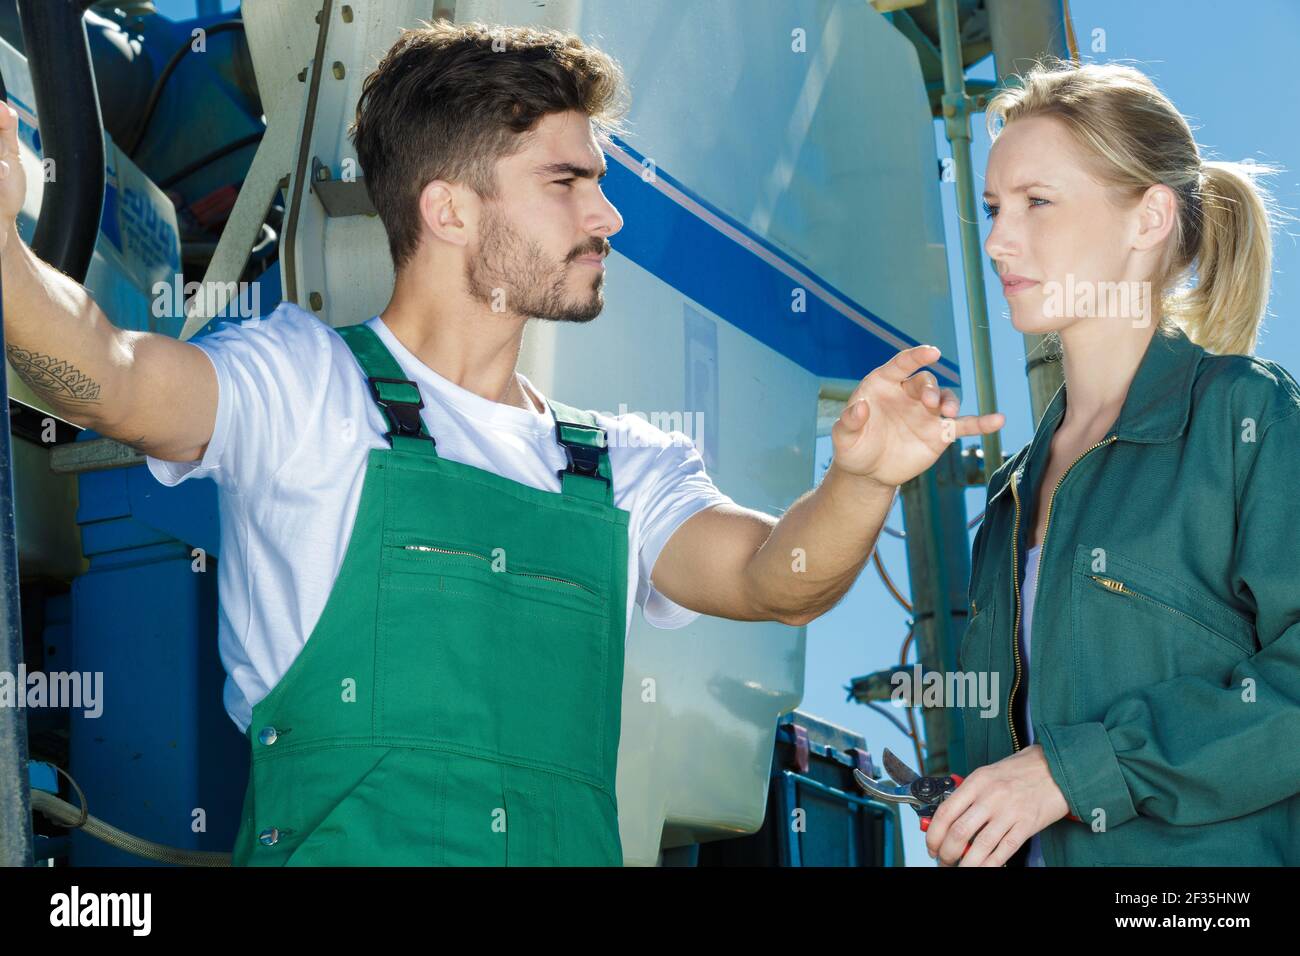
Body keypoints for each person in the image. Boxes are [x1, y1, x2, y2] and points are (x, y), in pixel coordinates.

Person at [0, 20, 1002, 865]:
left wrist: (859, 484)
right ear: (447, 209)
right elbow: (117, 378)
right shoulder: (307, 384)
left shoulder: (618, 461)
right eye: (567, 182)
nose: (606, 213)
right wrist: (6, 257)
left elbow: (770, 577)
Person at [927, 58, 1300, 867]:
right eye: (992, 208)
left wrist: (1073, 772)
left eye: (1038, 203)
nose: (997, 239)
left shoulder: (1248, 417)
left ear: (1148, 218)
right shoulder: (1010, 493)